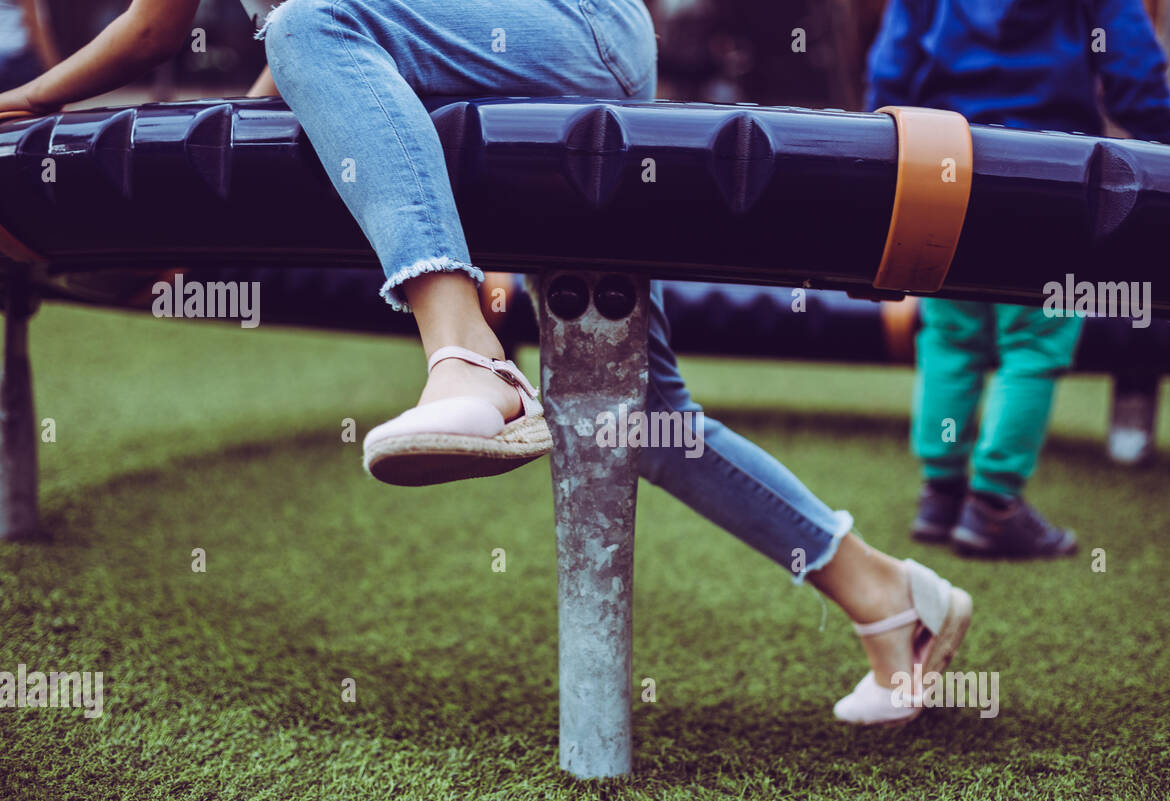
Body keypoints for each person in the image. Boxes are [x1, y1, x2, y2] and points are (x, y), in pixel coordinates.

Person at [0, 0, 973, 725]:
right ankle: (889, 594)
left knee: (307, 25)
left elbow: (308, 32)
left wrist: (295, 65)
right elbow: (161, 27)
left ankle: (468, 357)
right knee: (632, 411)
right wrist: (48, 113)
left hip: (562, 28)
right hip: (441, 47)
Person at [867, 0, 1170, 558]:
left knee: (950, 335)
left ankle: (940, 494)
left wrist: (882, 149)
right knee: (1035, 343)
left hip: (945, 164)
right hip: (1052, 170)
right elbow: (1132, 70)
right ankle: (993, 507)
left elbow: (892, 67)